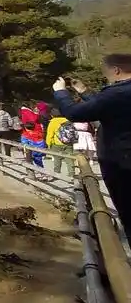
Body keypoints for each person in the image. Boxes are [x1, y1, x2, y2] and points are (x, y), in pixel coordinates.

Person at [54, 53, 131, 246]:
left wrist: (61, 92)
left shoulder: (115, 94)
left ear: (116, 70)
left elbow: (74, 113)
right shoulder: (117, 95)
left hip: (122, 164)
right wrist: (83, 91)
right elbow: (109, 108)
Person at [45, 107, 72, 176]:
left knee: (57, 159)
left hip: (57, 144)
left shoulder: (53, 122)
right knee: (69, 160)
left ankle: (57, 174)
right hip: (69, 143)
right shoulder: (67, 120)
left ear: (52, 115)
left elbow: (50, 134)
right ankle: (71, 174)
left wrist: (48, 144)